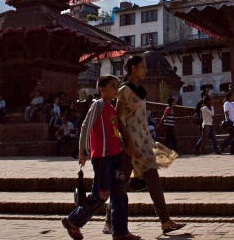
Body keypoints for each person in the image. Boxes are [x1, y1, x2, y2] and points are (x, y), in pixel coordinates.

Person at [62, 75, 140, 240]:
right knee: (101, 194)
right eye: (112, 86)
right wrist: (82, 150)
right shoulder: (98, 104)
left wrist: (122, 145)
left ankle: (120, 232)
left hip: (115, 156)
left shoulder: (111, 108)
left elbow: (114, 132)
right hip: (103, 157)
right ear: (102, 89)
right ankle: (73, 220)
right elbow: (85, 126)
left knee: (119, 194)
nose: (116, 89)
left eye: (117, 86)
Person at [117, 55, 185, 235]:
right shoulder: (124, 90)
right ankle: (165, 221)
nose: (145, 70)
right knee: (128, 183)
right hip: (132, 143)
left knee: (127, 183)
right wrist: (127, 142)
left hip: (144, 141)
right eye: (143, 67)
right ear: (133, 68)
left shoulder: (138, 90)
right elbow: (119, 117)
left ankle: (165, 221)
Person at [219, 90, 234, 155]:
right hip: (231, 122)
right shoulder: (226, 103)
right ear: (230, 96)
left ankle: (233, 150)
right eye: (233, 96)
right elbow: (226, 112)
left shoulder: (232, 103)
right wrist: (228, 120)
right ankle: (222, 145)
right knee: (232, 136)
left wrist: (233, 99)